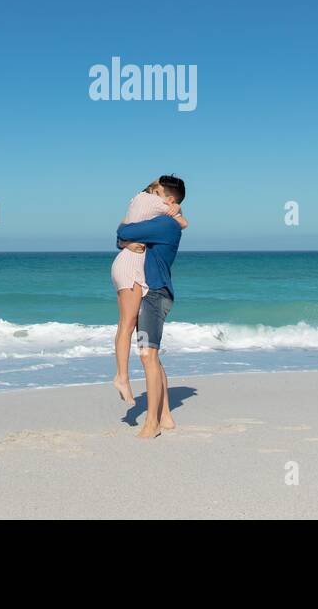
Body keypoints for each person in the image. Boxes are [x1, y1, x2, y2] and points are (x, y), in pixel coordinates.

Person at [116, 174, 186, 439]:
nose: (149, 199)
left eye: (155, 195)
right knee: (153, 357)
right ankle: (166, 415)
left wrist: (125, 238)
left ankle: (152, 424)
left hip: (154, 294)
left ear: (168, 201)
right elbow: (124, 239)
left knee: (147, 355)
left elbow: (123, 231)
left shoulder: (164, 224)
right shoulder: (162, 222)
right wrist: (126, 241)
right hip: (153, 292)